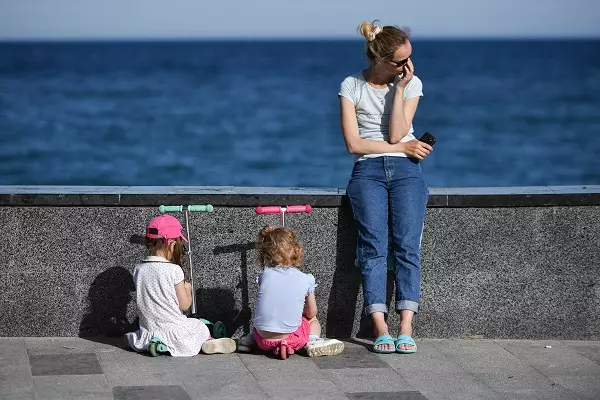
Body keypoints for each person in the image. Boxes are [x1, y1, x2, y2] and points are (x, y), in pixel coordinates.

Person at [338, 20, 432, 354]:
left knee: (407, 247)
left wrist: (402, 87)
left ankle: (406, 326)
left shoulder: (411, 83)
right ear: (380, 59)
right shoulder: (351, 85)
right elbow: (354, 144)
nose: (407, 66)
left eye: (409, 59)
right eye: (399, 62)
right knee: (373, 248)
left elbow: (394, 134)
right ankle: (380, 326)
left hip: (408, 171)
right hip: (368, 172)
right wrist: (404, 147)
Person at [126, 214, 236, 356]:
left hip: (149, 329)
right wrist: (188, 289)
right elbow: (184, 305)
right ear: (171, 244)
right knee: (198, 325)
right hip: (174, 328)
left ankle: (158, 344)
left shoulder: (138, 269)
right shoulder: (174, 270)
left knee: (162, 331)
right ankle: (208, 340)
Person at [239, 226, 344, 359]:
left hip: (262, 340)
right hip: (293, 337)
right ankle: (311, 342)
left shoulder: (265, 275)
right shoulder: (306, 279)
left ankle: (248, 340)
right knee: (312, 320)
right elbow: (312, 312)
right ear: (298, 251)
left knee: (265, 321)